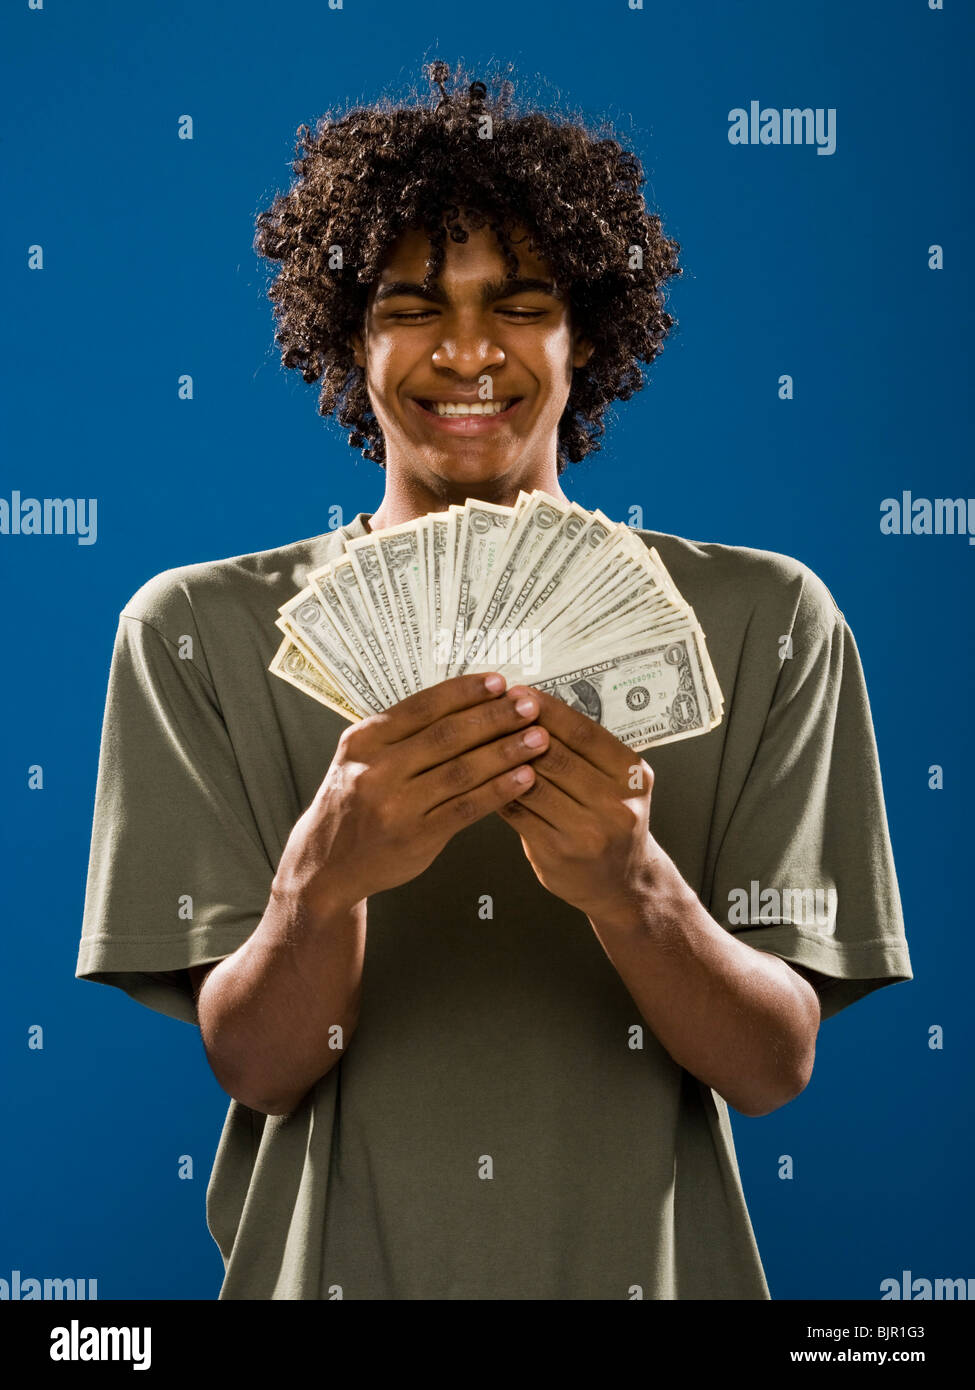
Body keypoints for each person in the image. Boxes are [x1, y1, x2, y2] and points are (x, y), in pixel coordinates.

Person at [76, 61, 912, 1300]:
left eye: (520, 304)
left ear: (587, 339)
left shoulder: (769, 621)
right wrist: (323, 884)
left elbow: (770, 1065)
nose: (468, 349)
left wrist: (633, 891)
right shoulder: (195, 631)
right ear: (350, 338)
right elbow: (258, 1065)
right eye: (413, 305)